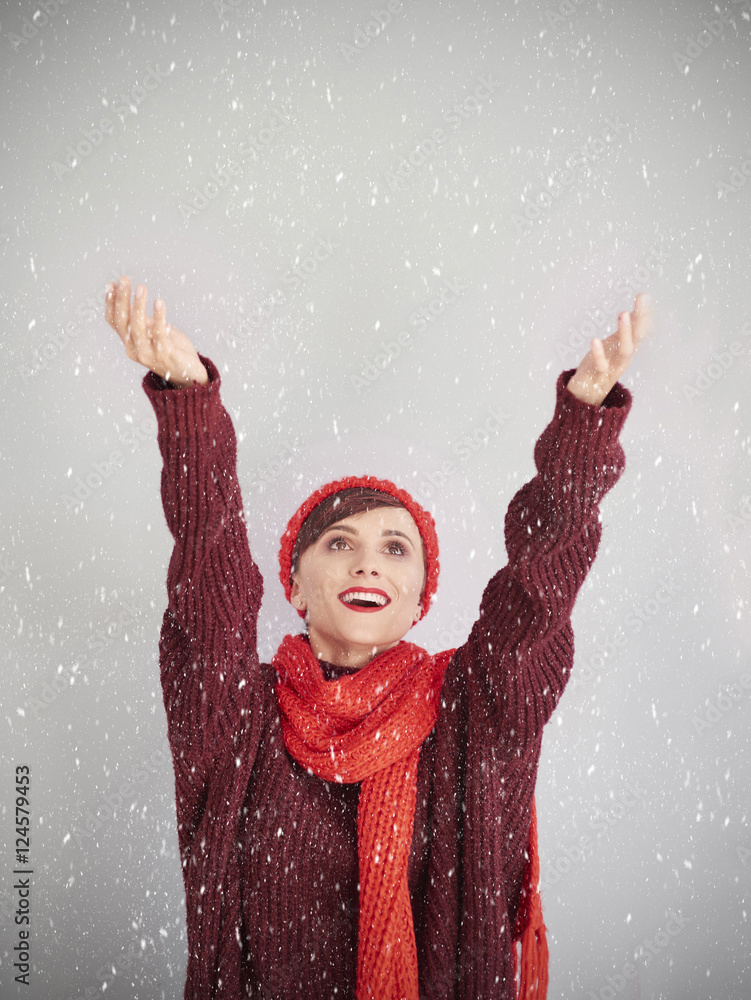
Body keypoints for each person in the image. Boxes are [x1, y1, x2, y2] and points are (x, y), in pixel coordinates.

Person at [104, 275, 652, 1000]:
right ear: (292, 585)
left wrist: (581, 425)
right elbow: (208, 576)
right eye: (338, 542)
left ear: (420, 599)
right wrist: (190, 405)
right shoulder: (236, 718)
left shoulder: (473, 714)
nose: (366, 560)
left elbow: (537, 594)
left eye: (396, 548)